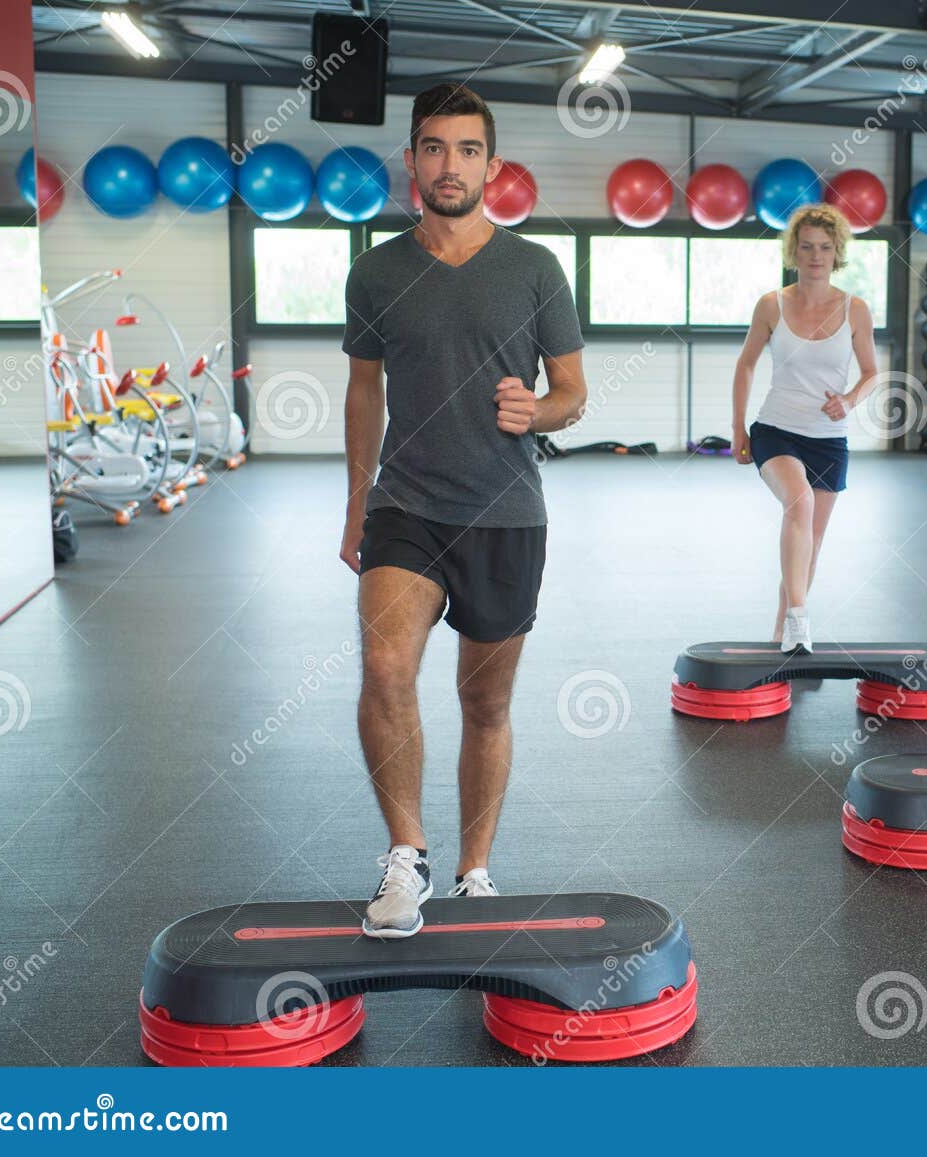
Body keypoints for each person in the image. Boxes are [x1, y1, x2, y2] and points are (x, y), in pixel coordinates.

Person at [340, 83, 587, 937]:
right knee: (383, 667)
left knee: (484, 706)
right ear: (412, 161)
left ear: (492, 164)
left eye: (468, 150)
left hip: (507, 512)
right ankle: (406, 857)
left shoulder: (534, 269)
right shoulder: (375, 270)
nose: (451, 165)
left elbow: (574, 394)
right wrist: (353, 507)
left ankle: (474, 869)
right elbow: (363, 393)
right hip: (406, 507)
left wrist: (539, 409)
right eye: (435, 148)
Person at [730, 203, 880, 652]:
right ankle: (800, 617)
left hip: (829, 441)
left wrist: (850, 400)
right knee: (799, 505)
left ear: (838, 253)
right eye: (807, 246)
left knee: (810, 542)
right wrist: (738, 430)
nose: (816, 255)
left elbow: (872, 373)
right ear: (793, 251)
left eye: (825, 247)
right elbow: (746, 364)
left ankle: (783, 633)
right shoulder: (771, 305)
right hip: (776, 430)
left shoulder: (855, 310)